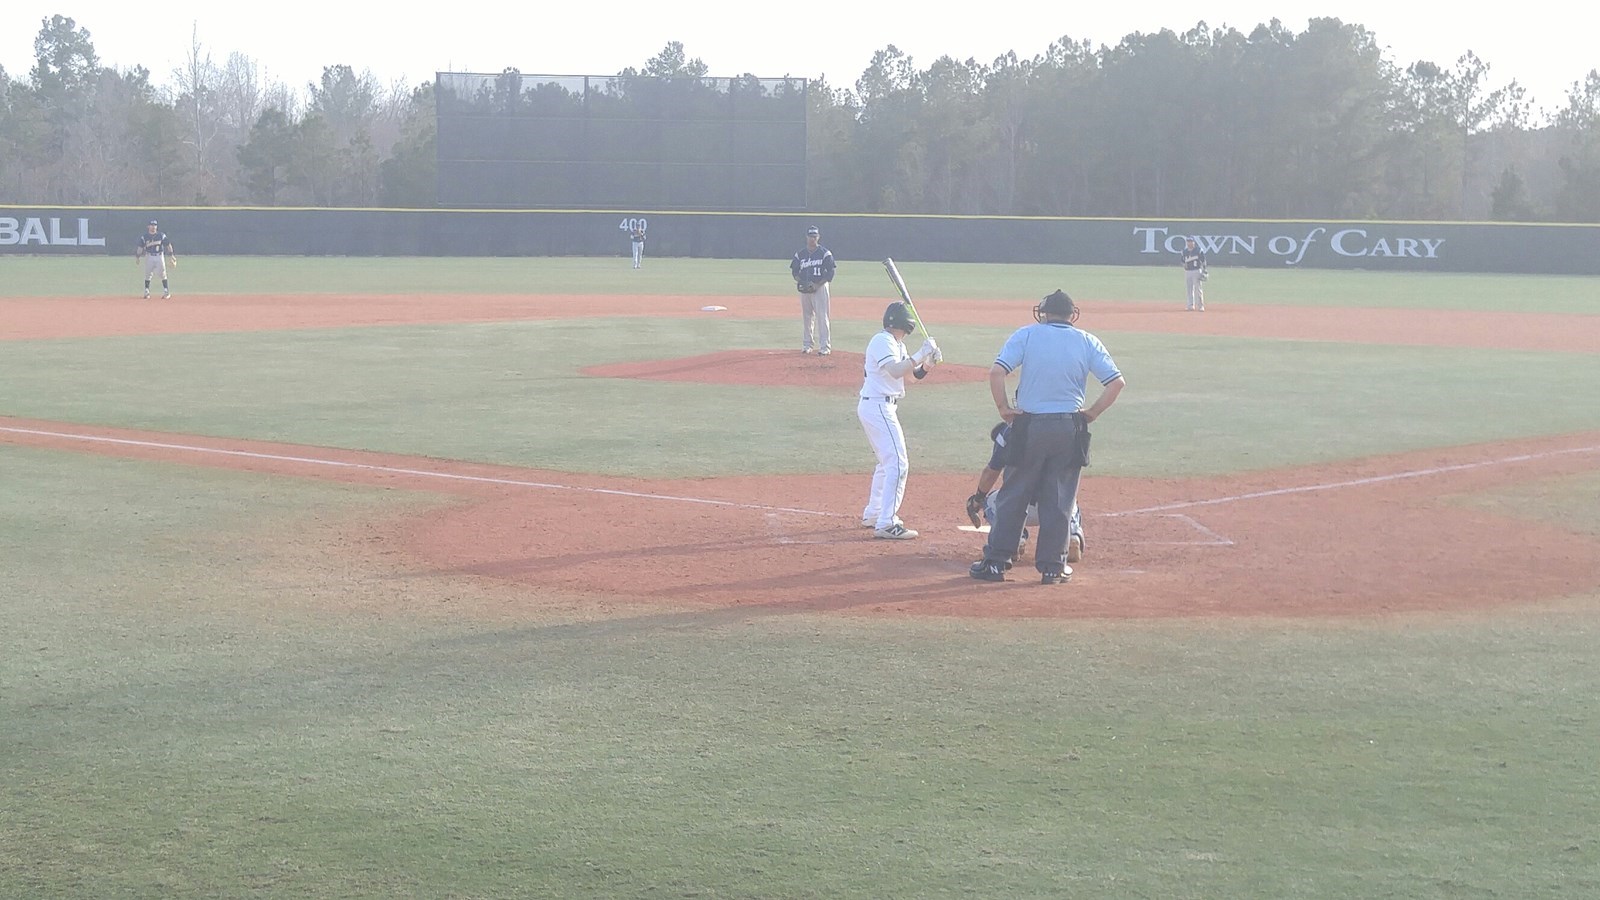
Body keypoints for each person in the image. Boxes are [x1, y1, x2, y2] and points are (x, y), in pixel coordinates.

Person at [970, 289, 1124, 584]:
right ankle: (1053, 567)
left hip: (1029, 425)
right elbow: (1117, 382)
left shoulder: (1026, 335)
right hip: (1069, 425)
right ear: (1072, 314)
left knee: (1013, 494)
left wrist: (1004, 408)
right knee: (1059, 498)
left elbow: (996, 372)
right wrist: (1091, 413)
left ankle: (995, 563)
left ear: (1043, 313)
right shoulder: (1088, 340)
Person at [858, 301, 940, 540]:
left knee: (886, 463)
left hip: (879, 406)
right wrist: (920, 353)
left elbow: (911, 377)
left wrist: (928, 363)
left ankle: (873, 514)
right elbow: (894, 370)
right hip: (878, 406)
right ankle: (887, 522)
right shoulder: (881, 341)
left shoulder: (897, 344)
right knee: (898, 464)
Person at [967, 421, 1087, 565]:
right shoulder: (1065, 428)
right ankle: (1072, 533)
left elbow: (990, 473)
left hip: (1020, 507)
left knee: (993, 500)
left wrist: (977, 499)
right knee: (1067, 496)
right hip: (1056, 508)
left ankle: (1015, 538)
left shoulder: (1007, 433)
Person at [790, 225, 835, 355]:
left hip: (820, 288)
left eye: (814, 237)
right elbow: (794, 271)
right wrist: (801, 282)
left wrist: (817, 284)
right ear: (807, 237)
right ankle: (807, 345)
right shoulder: (800, 254)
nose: (812, 239)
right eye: (810, 236)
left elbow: (830, 272)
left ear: (818, 237)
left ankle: (825, 347)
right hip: (805, 290)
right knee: (807, 317)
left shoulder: (825, 253)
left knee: (822, 317)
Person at [136, 219, 176, 299]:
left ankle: (166, 291)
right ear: (148, 226)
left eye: (155, 225)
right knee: (148, 274)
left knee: (163, 273)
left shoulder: (161, 235)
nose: (153, 227)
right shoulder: (144, 237)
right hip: (149, 256)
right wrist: (138, 256)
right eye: (152, 225)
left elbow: (168, 244)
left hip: (159, 256)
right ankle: (146, 291)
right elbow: (140, 247)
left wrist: (171, 255)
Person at [1181, 237, 1206, 311]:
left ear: (1194, 242)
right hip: (1188, 271)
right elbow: (1182, 261)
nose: (1189, 243)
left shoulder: (1198, 250)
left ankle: (1200, 306)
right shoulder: (1184, 251)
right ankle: (1190, 305)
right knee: (1189, 289)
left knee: (1198, 288)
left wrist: (1204, 270)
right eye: (1188, 241)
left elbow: (1203, 260)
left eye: (1191, 241)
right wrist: (1183, 265)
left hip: (1196, 270)